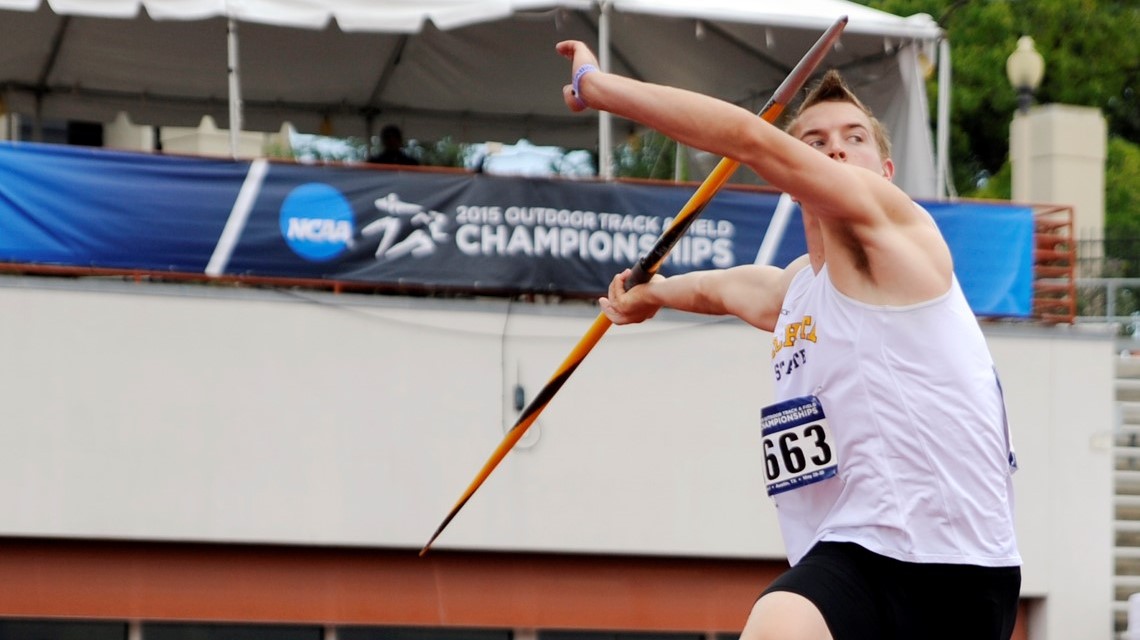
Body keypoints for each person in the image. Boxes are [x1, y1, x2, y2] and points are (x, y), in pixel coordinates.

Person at [557, 41, 1021, 640]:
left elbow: (747, 139)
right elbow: (728, 289)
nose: (835, 148)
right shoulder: (801, 290)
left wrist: (599, 88)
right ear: (794, 181)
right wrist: (657, 294)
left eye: (854, 138)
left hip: (955, 569)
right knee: (779, 621)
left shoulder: (902, 238)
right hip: (854, 553)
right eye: (815, 142)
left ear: (885, 173)